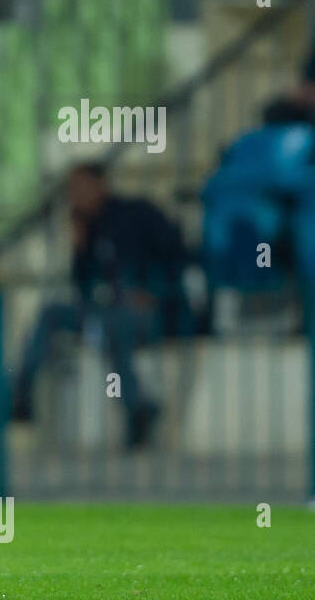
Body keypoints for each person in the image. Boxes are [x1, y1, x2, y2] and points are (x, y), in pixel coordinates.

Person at [10, 162, 191, 450]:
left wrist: (152, 291)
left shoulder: (138, 214)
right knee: (52, 314)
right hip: (102, 313)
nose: (74, 196)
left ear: (100, 186)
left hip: (150, 313)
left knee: (112, 327)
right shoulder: (86, 229)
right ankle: (20, 395)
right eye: (71, 191)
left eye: (80, 188)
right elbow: (82, 289)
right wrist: (79, 249)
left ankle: (136, 409)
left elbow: (179, 256)